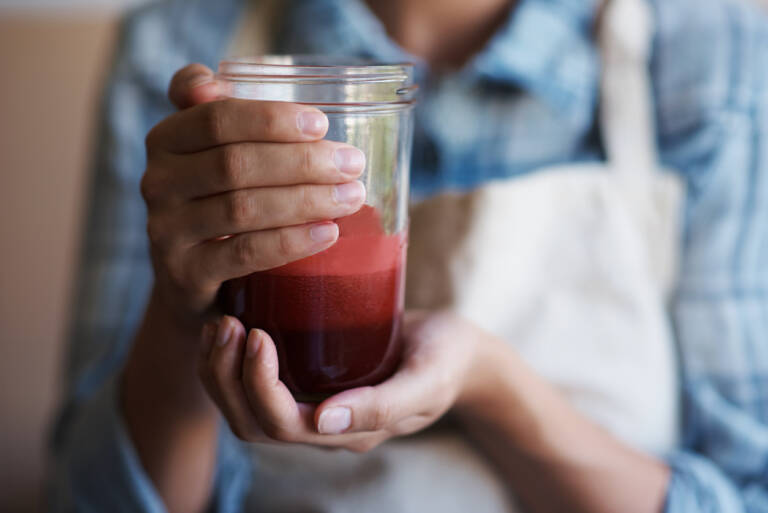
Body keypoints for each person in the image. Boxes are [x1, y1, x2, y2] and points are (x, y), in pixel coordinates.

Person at [48, 0, 768, 512]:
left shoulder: (714, 58)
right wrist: (178, 319)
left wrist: (491, 387)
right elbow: (84, 496)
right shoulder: (173, 43)